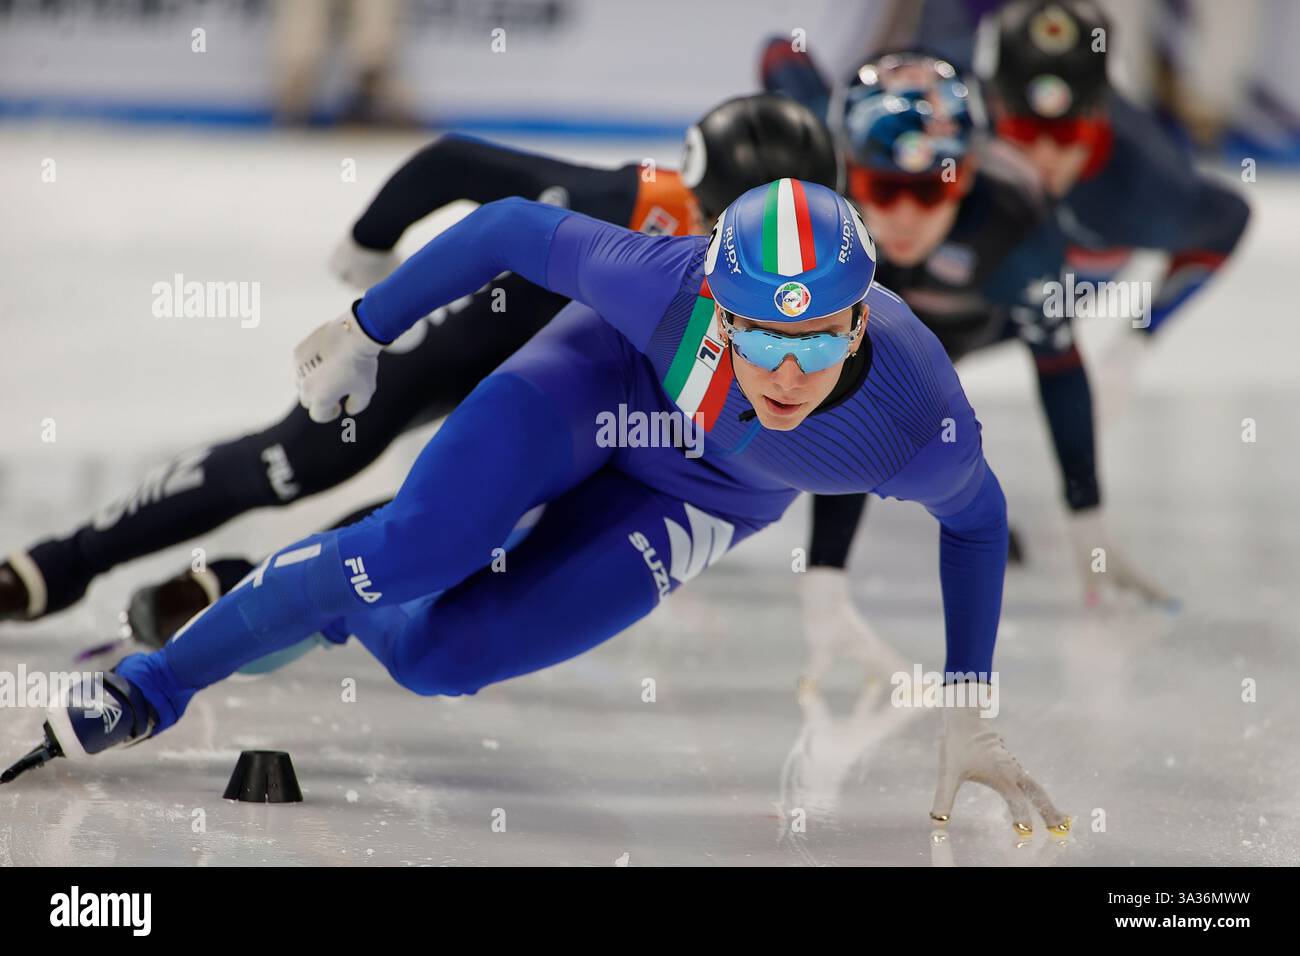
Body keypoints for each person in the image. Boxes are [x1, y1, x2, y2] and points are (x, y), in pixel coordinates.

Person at [6, 179, 1067, 837]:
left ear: (859, 325)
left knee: (437, 658)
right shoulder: (664, 284)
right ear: (714, 301)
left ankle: (331, 586)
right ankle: (151, 685)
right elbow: (509, 225)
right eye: (755, 333)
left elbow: (975, 521)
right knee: (425, 542)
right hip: (595, 387)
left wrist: (969, 700)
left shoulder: (917, 414)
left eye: (814, 338)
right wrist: (366, 323)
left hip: (707, 493)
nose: (783, 370)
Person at [0, 94, 837, 641]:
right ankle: (65, 560)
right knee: (298, 460)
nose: (748, 265)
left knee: (456, 518)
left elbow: (864, 412)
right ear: (688, 201)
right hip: (482, 343)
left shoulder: (823, 281)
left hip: (576, 403)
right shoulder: (637, 201)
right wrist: (370, 258)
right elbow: (459, 167)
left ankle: (244, 588)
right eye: (722, 225)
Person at [762, 48, 1169, 651]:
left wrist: (1090, 527)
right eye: (883, 187)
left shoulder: (1017, 223)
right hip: (892, 298)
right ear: (848, 167)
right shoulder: (816, 181)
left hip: (976, 313)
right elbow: (780, 56)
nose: (903, 216)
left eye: (929, 191)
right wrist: (825, 579)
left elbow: (1057, 363)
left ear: (968, 176)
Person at [975, 0, 1250, 418]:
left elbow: (1229, 220)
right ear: (992, 108)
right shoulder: (951, 123)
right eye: (1024, 130)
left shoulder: (1149, 192)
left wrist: (1138, 338)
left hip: (1074, 268)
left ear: (1100, 117)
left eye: (1069, 134)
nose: (1045, 155)